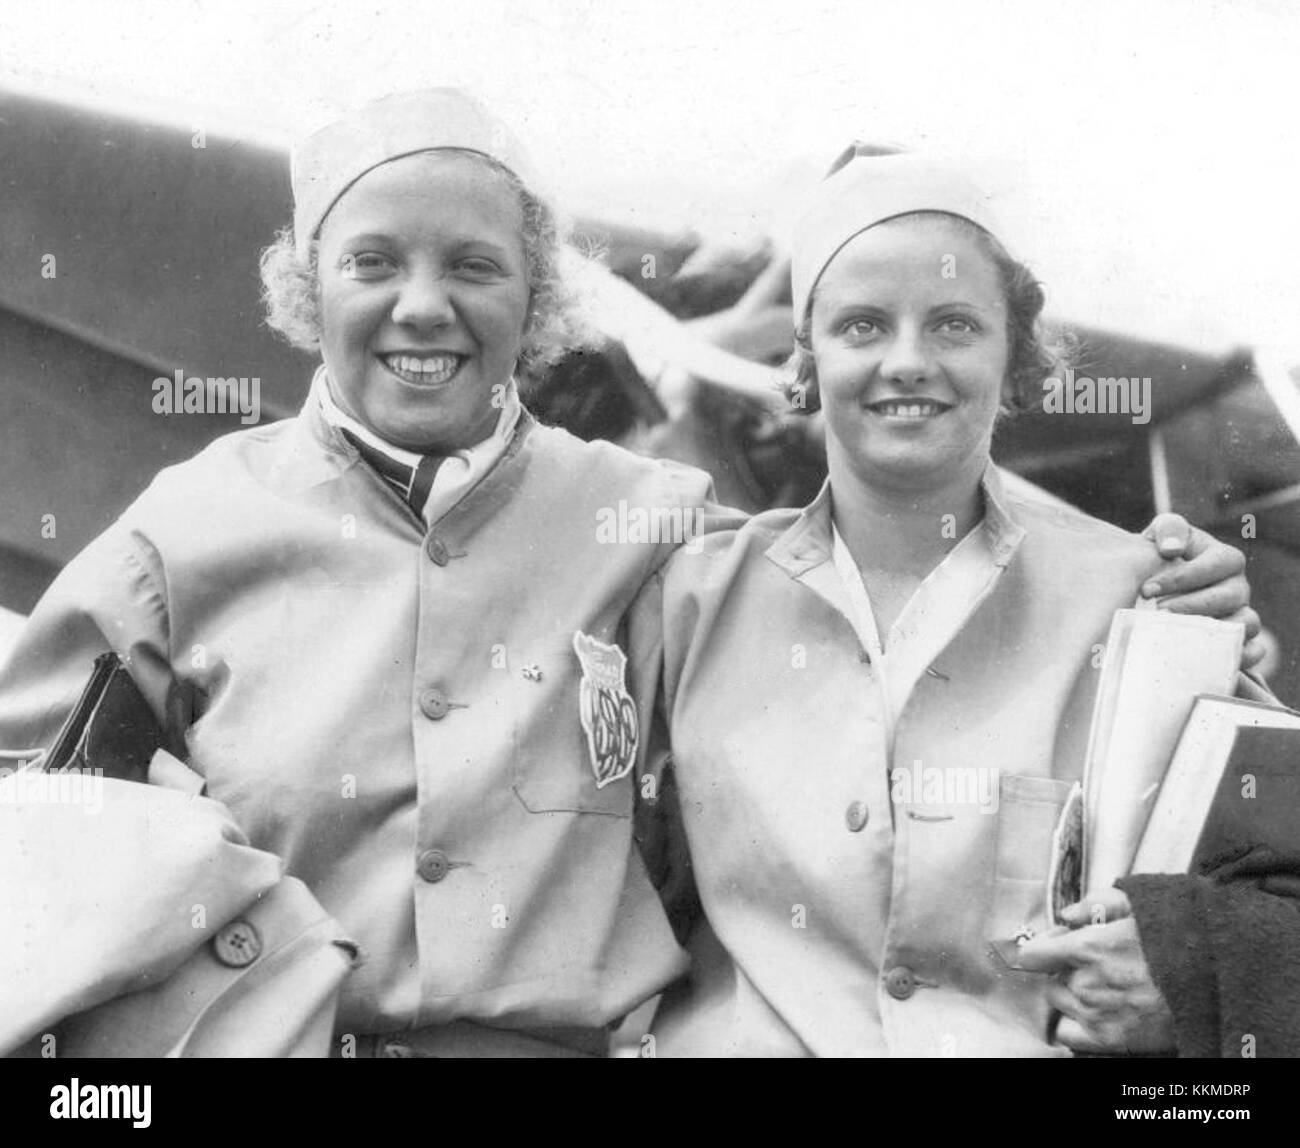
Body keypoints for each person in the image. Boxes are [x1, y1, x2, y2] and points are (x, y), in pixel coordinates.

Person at [0, 98, 1258, 1059]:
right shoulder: (187, 525)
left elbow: (885, 573)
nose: (422, 307)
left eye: (476, 268)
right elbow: (31, 805)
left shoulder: (659, 525)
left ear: (535, 300)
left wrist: (1199, 616)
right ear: (303, 287)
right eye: (373, 262)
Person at [644, 148, 1271, 1058]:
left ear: (1016, 358)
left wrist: (1190, 977)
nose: (908, 362)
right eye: (861, 326)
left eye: (953, 326)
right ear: (807, 361)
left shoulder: (1149, 603)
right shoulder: (690, 598)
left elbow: (1267, 886)